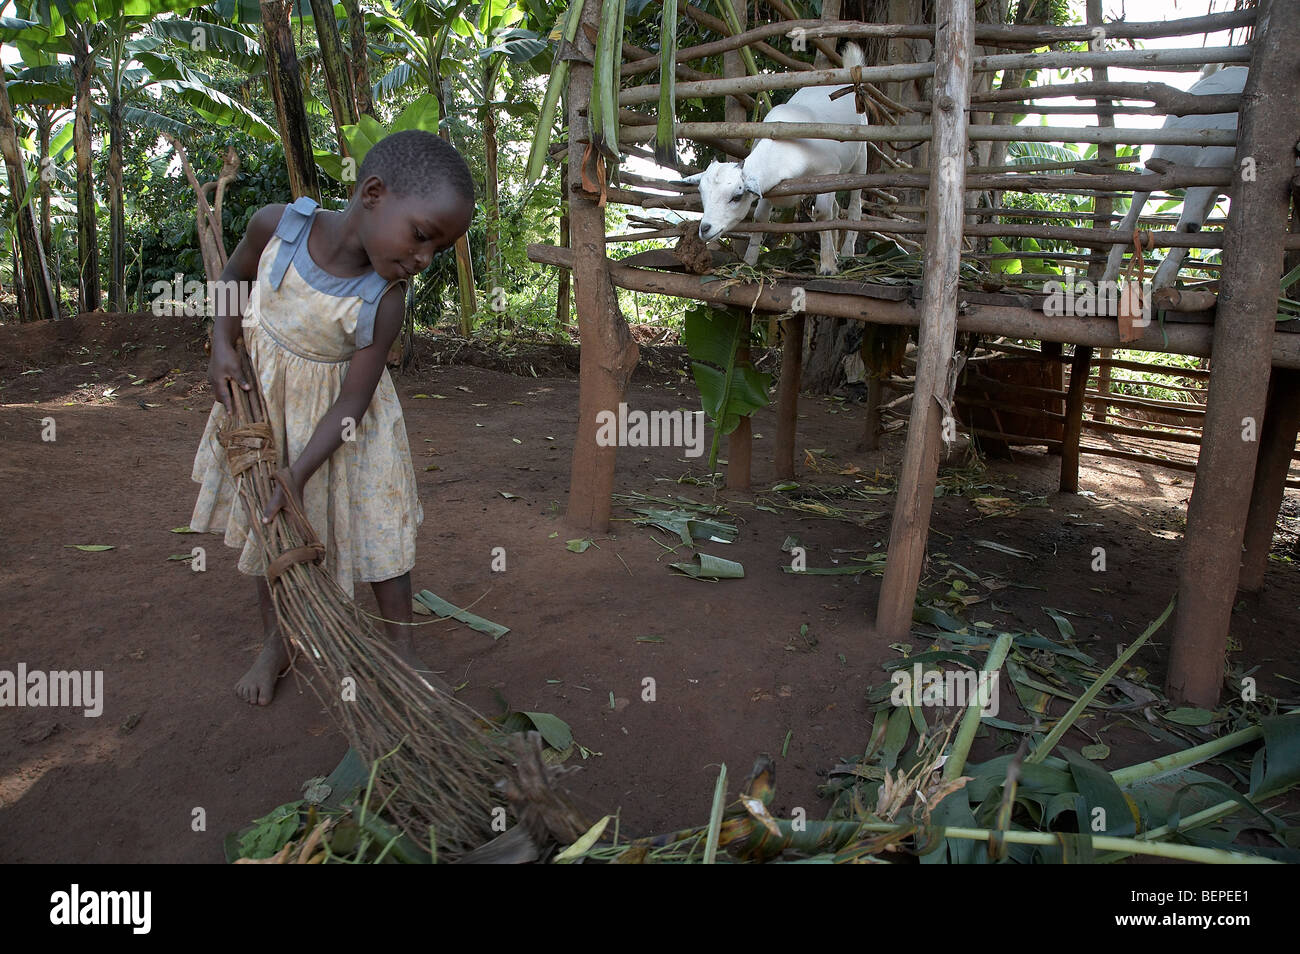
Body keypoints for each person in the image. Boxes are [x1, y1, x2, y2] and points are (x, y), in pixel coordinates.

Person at [188, 130, 475, 705]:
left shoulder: (383, 300)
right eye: (421, 236)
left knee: (381, 536)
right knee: (275, 533)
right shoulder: (277, 227)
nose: (423, 260)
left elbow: (352, 403)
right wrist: (222, 342)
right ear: (372, 193)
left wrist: (300, 472)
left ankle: (402, 652)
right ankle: (277, 642)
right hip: (273, 419)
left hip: (351, 434)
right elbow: (233, 282)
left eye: (437, 251)